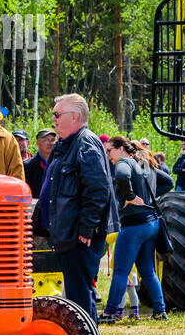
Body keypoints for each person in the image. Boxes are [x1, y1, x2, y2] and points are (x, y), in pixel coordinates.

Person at [36, 94, 118, 319]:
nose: (53, 119)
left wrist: (86, 227)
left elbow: (98, 188)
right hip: (67, 233)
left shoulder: (85, 142)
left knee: (80, 295)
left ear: (74, 116)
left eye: (57, 114)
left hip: (79, 236)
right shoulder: (66, 143)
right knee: (75, 294)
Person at [99, 134, 166, 323]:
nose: (108, 155)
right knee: (148, 271)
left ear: (121, 149)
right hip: (151, 223)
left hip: (134, 226)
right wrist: (145, 196)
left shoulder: (124, 163)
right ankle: (160, 311)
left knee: (120, 271)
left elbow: (121, 176)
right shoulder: (144, 165)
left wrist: (129, 196)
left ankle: (109, 312)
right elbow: (168, 181)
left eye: (110, 150)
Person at [24, 128, 55, 197]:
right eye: (46, 140)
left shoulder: (60, 163)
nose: (50, 143)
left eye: (53, 140)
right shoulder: (28, 166)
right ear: (37, 143)